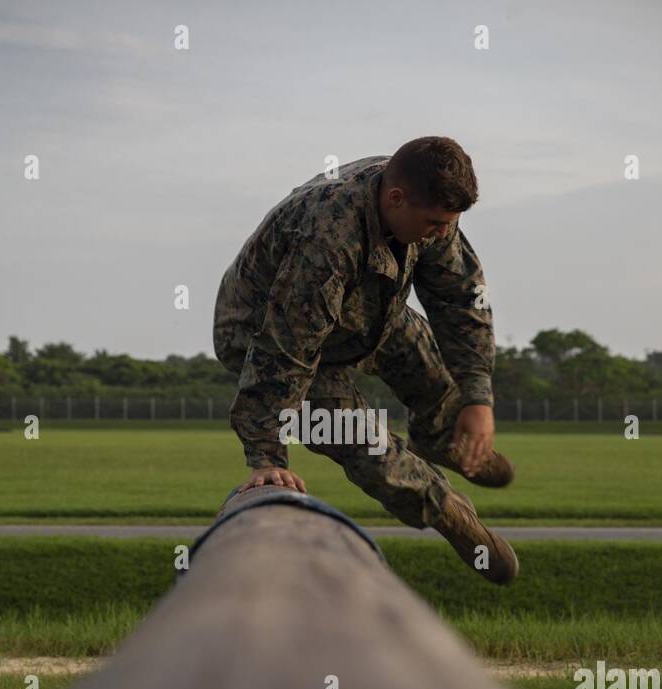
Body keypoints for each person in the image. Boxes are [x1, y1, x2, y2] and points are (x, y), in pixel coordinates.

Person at [213, 136, 518, 584]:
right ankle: (446, 509)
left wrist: (477, 397)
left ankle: (442, 437)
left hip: (366, 309)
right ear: (396, 199)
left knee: (430, 367)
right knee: (356, 436)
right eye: (435, 223)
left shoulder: (427, 207)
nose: (441, 233)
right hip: (265, 334)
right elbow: (286, 346)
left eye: (448, 224)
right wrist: (266, 455)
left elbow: (461, 301)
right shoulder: (327, 236)